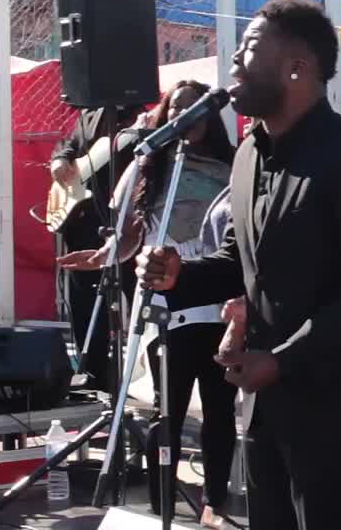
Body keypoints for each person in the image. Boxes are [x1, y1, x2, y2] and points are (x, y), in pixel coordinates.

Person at [136, 0, 341, 530]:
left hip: (336, 404)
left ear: (297, 69)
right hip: (265, 400)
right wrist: (180, 275)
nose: (235, 61)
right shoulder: (251, 151)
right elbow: (242, 260)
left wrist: (282, 358)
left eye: (251, 49)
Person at [59, 80, 236, 526]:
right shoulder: (151, 166)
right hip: (167, 303)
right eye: (179, 108)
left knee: (218, 408)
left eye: (197, 107)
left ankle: (216, 500)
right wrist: (104, 256)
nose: (189, 115)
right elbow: (130, 234)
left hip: (216, 301)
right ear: (167, 116)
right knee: (168, 409)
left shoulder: (233, 166)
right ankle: (162, 505)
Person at [50, 104, 145, 390]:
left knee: (139, 297)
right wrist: (61, 160)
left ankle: (154, 378)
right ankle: (93, 373)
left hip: (127, 228)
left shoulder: (140, 122)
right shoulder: (88, 116)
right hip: (84, 225)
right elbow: (69, 144)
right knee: (84, 301)